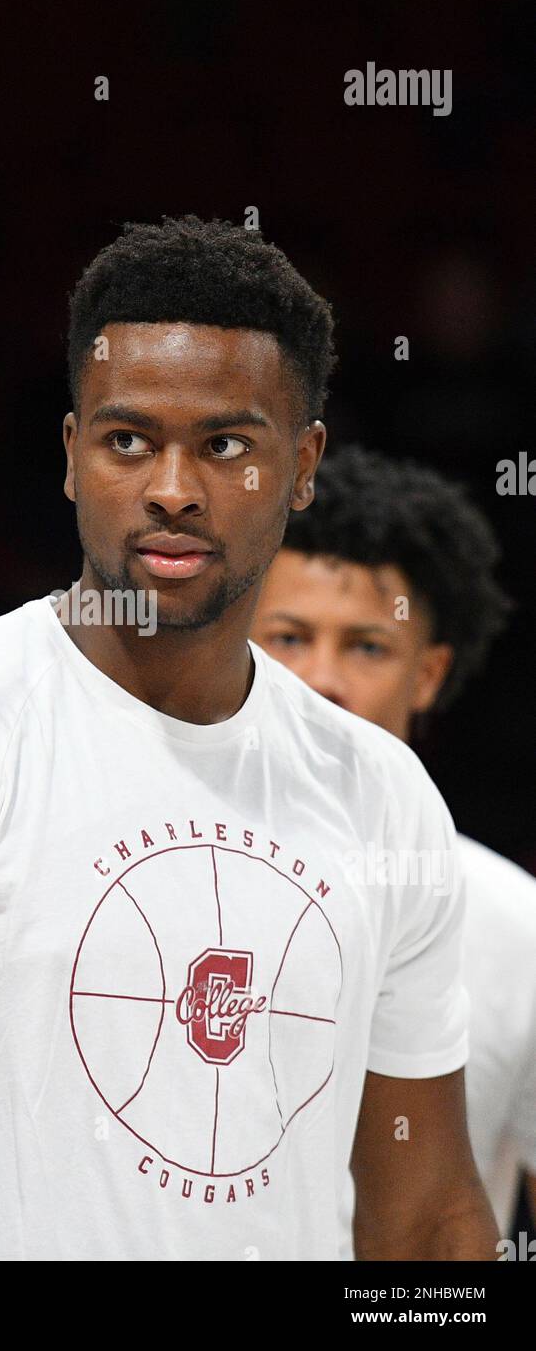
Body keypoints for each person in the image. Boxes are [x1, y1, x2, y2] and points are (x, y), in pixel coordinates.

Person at [0, 215, 498, 1261]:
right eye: (128, 440)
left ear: (301, 466)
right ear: (72, 455)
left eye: (223, 445)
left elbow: (427, 1207)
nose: (171, 487)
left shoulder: (380, 795)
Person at [249, 443, 536, 1254]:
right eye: (289, 637)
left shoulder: (519, 924)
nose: (323, 680)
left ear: (430, 673)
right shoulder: (149, 869)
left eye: (367, 647)